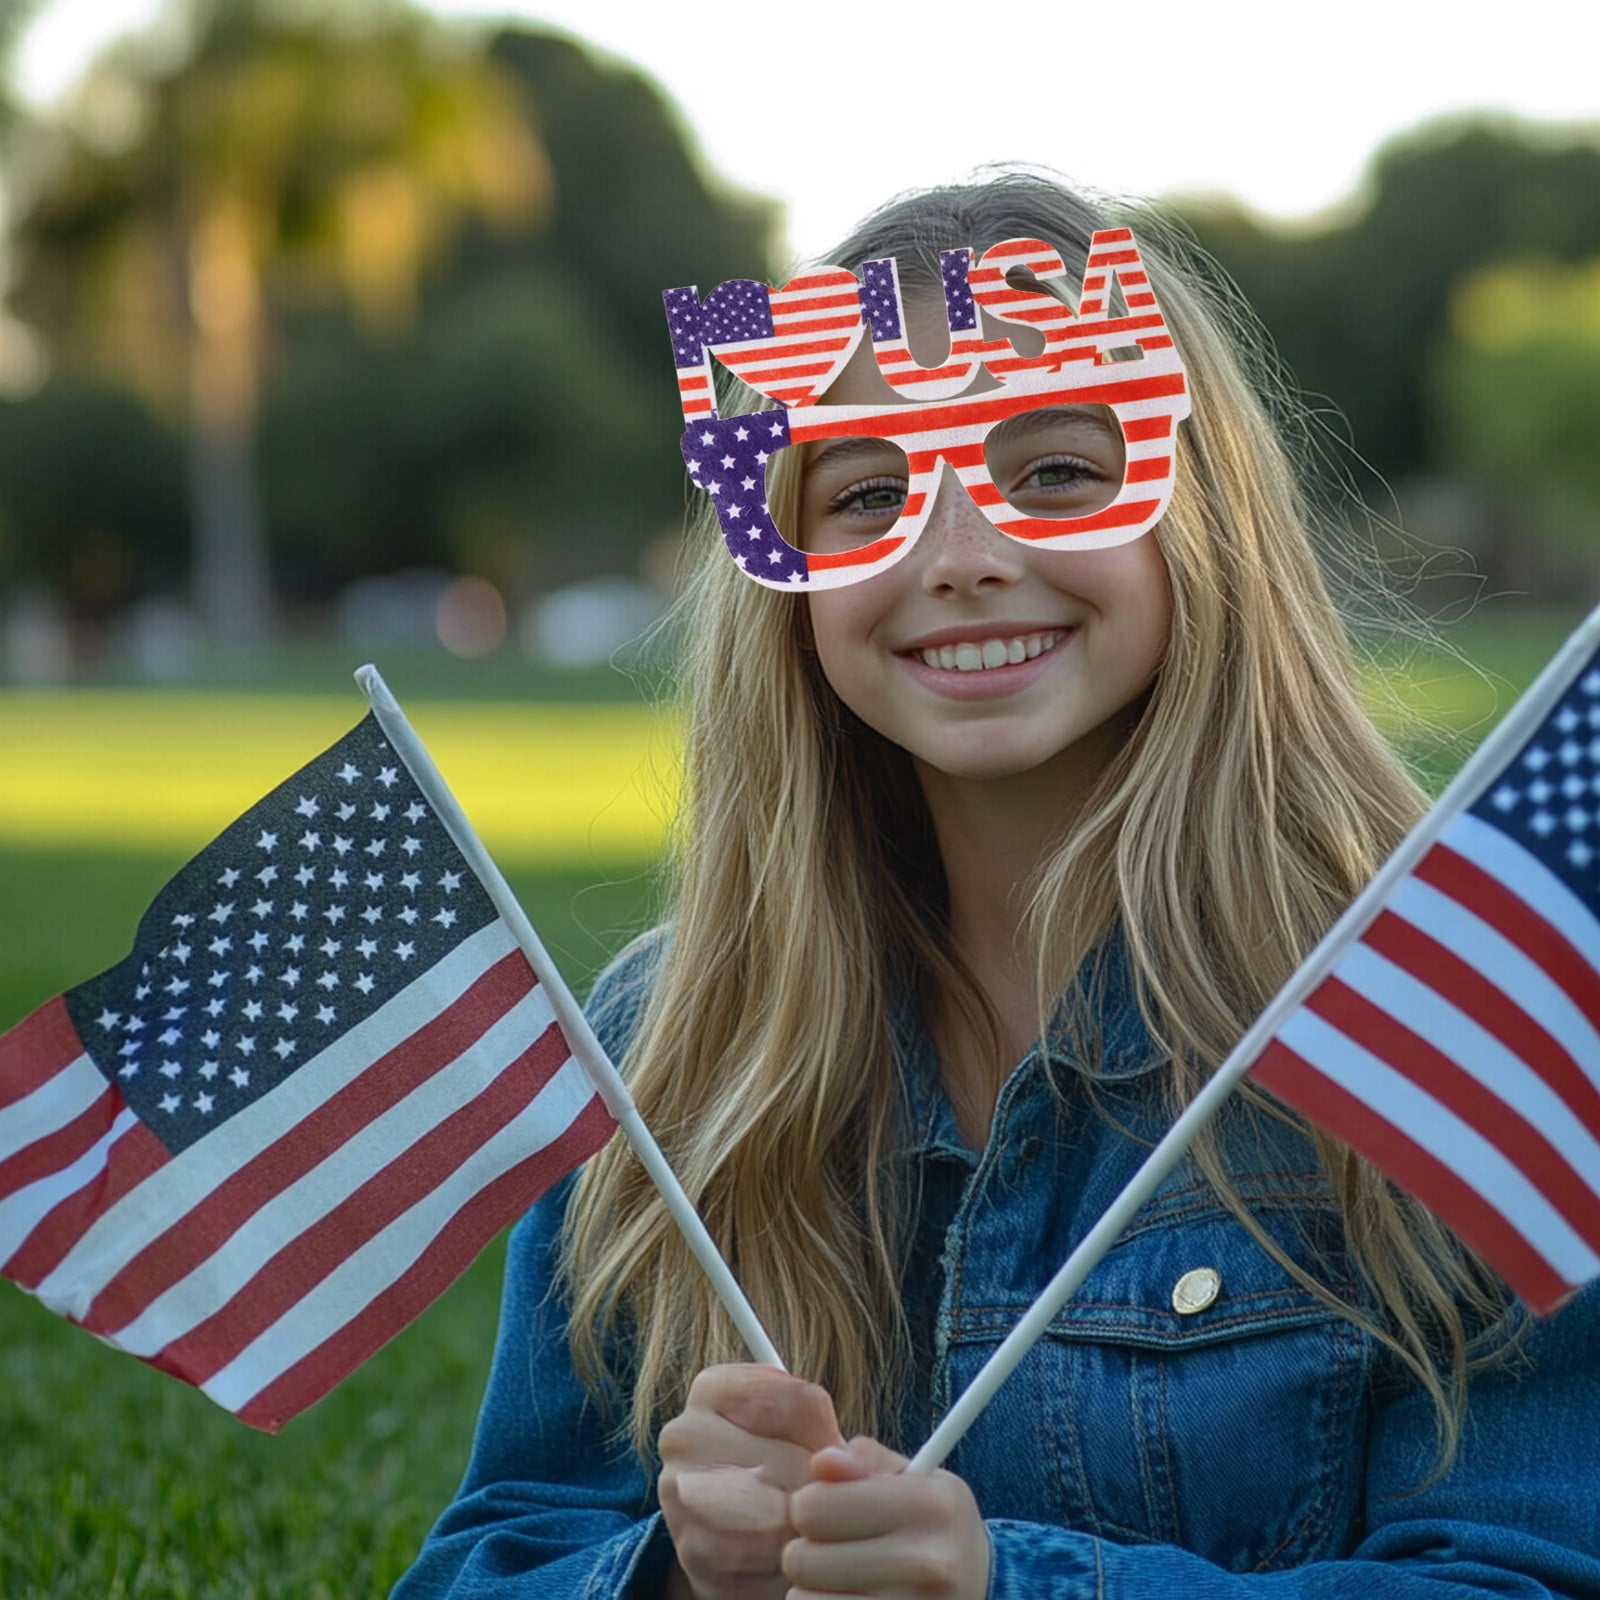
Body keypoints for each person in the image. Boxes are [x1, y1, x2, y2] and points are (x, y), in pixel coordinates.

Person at [392, 173, 1600, 1599]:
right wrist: (671, 1571)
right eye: (869, 491)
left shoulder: (1461, 1008)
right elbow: (491, 1560)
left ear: (1203, 518)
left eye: (1058, 472)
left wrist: (1008, 1584)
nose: (960, 556)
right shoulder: (671, 1040)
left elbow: (1520, 1576)